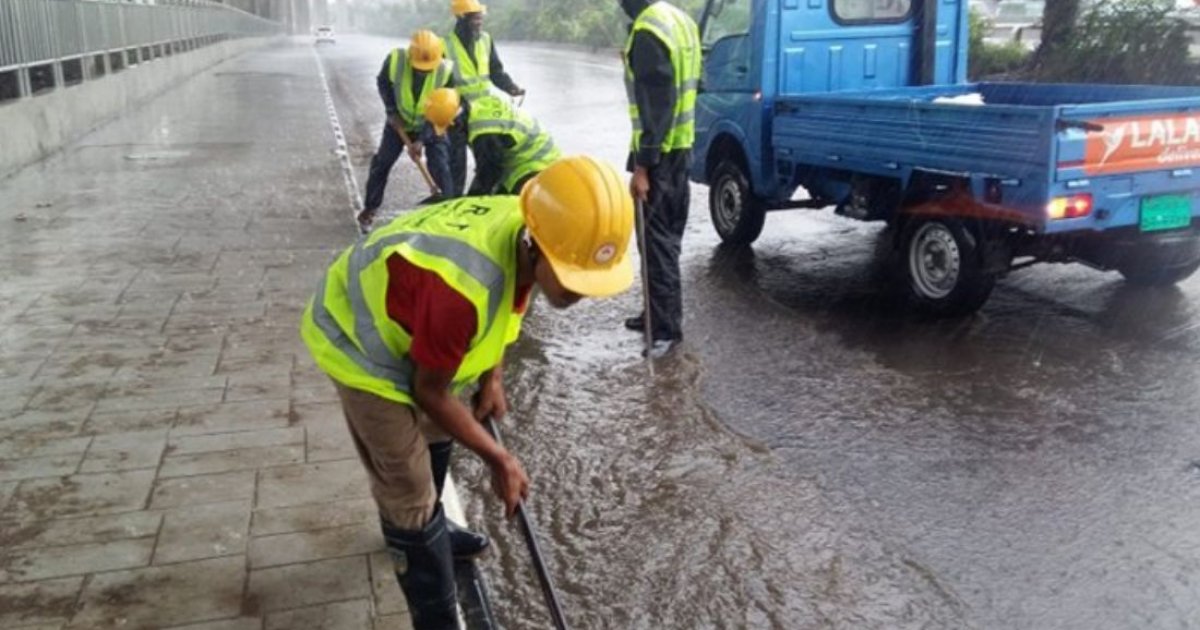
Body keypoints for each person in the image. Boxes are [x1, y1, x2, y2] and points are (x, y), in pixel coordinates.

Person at [300, 156, 635, 630]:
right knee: (407, 483)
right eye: (570, 278)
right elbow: (429, 391)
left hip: (416, 318)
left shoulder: (527, 222)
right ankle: (432, 606)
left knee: (440, 432)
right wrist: (500, 459)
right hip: (359, 341)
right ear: (534, 245)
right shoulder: (462, 290)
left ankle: (436, 526)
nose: (579, 294)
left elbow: (507, 304)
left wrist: (492, 377)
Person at [618, 0, 701, 357]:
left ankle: (665, 330)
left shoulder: (648, 31)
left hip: (661, 156)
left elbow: (658, 102)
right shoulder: (680, 20)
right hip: (680, 148)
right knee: (663, 240)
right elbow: (696, 83)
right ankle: (655, 313)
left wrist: (643, 166)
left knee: (658, 244)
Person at [360, 30, 455, 226]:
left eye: (427, 69)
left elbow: (443, 109)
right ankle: (370, 208)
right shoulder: (396, 60)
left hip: (431, 122)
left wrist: (421, 139)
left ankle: (448, 211)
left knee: (440, 164)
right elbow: (383, 82)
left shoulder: (446, 72)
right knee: (382, 162)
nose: (423, 72)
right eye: (419, 68)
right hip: (399, 122)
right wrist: (391, 111)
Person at [445, 0, 527, 196]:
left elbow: (495, 71)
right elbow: (440, 82)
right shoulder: (445, 45)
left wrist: (510, 87)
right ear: (461, 18)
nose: (479, 22)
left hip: (483, 113)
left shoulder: (486, 40)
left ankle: (480, 197)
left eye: (480, 17)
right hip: (457, 112)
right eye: (475, 18)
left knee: (488, 159)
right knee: (456, 163)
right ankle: (454, 201)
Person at [422, 88, 561, 196]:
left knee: (511, 209)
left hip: (536, 164)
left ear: (456, 123)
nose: (449, 135)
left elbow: (488, 174)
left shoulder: (484, 133)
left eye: (449, 130)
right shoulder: (478, 106)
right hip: (526, 157)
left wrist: (471, 200)